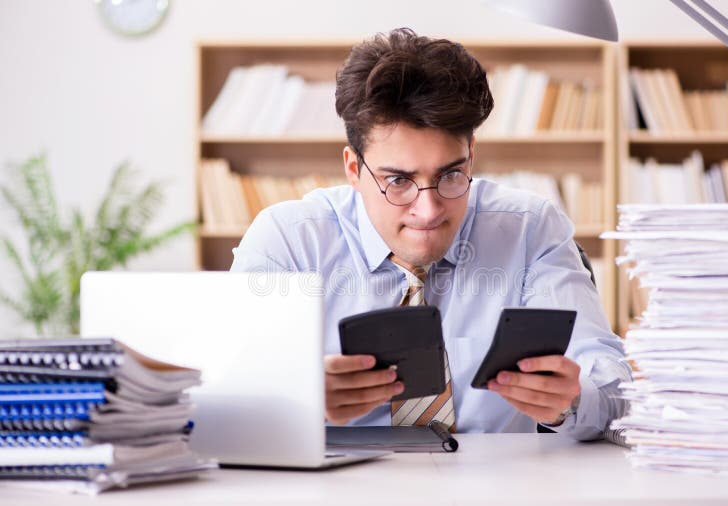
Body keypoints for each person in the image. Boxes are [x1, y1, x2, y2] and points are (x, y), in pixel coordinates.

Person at [231, 28, 631, 439]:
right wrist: (295, 398)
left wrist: (573, 400)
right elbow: (221, 392)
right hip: (335, 496)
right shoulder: (288, 241)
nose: (429, 210)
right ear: (354, 169)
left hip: (497, 490)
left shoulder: (530, 229)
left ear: (472, 153)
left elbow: (618, 391)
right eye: (399, 181)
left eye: (451, 174)